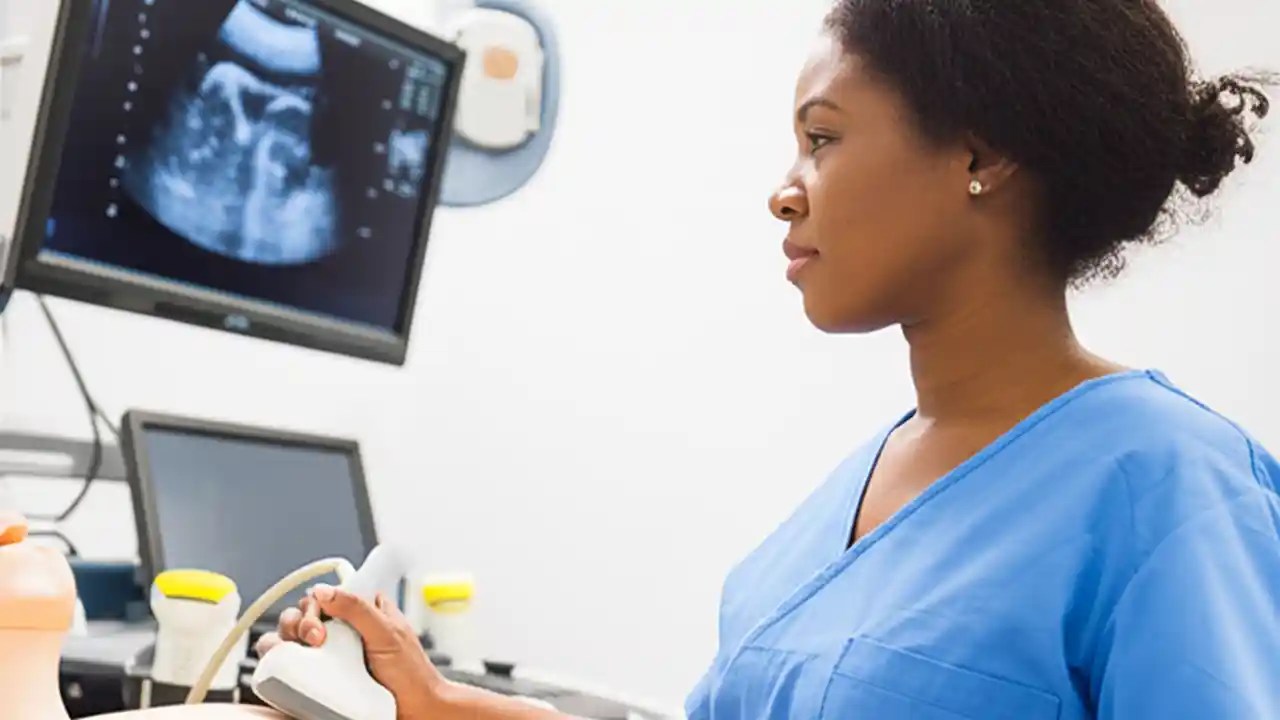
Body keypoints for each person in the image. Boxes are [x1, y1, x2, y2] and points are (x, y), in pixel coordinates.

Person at [256, 1, 1280, 717]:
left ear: (980, 155)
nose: (785, 191)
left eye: (822, 139)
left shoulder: (1168, 486)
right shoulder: (853, 494)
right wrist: (438, 705)